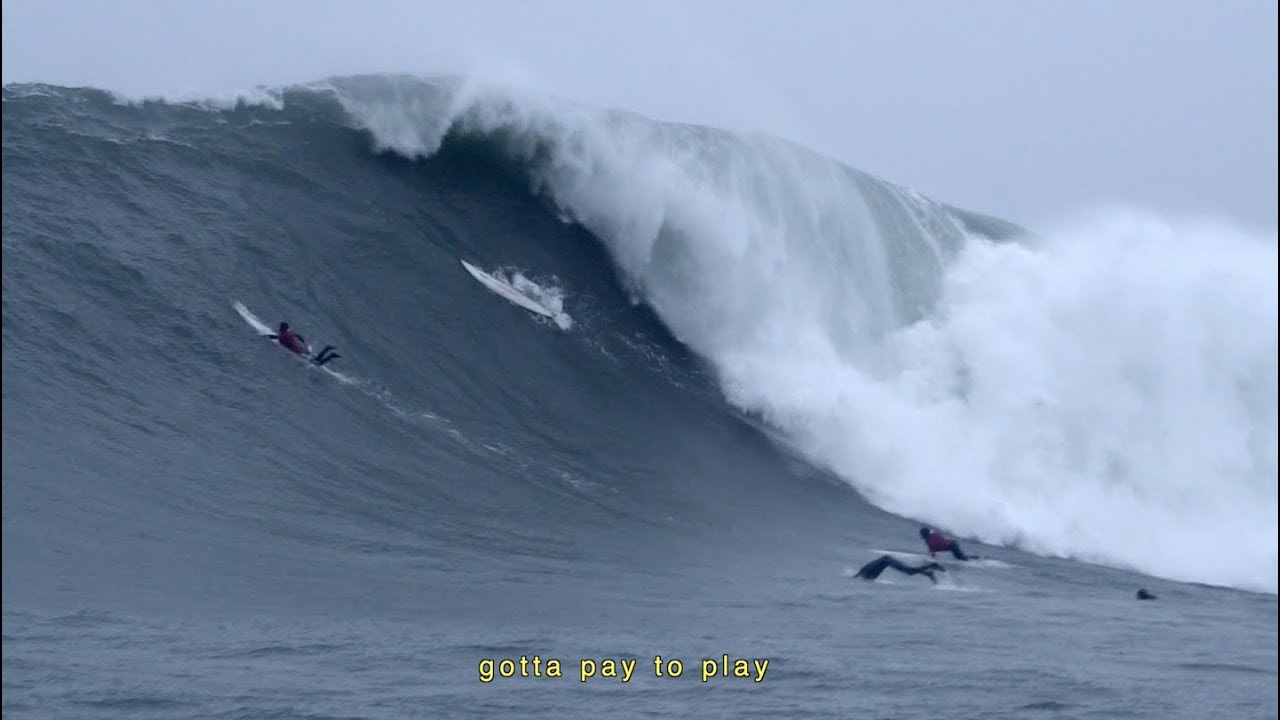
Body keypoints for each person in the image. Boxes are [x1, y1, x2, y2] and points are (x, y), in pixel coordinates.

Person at [265, 322, 341, 367]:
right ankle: (327, 349)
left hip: (298, 351)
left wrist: (266, 336)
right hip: (301, 347)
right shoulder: (289, 332)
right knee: (317, 358)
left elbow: (276, 337)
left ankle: (330, 354)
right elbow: (298, 336)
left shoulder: (283, 335)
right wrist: (305, 343)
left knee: (317, 363)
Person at [855, 554, 946, 584]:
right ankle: (928, 572)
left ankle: (931, 568)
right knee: (909, 571)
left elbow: (864, 570)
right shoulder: (864, 576)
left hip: (886, 560)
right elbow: (864, 569)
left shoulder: (865, 578)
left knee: (909, 571)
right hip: (885, 560)